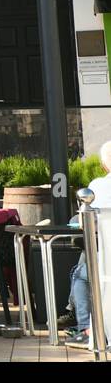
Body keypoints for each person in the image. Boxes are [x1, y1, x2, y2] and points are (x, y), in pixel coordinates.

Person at [66, 140, 111, 346]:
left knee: (81, 274)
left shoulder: (97, 187)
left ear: (103, 166)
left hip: (106, 262)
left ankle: (88, 328)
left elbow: (88, 224)